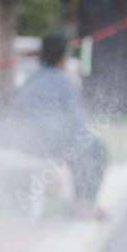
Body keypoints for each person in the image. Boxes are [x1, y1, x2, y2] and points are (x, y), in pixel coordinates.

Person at [13, 33, 108, 219]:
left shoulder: (28, 80)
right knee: (96, 149)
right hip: (52, 146)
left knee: (81, 148)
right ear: (64, 58)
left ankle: (78, 203)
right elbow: (79, 124)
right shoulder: (64, 82)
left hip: (26, 144)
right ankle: (84, 204)